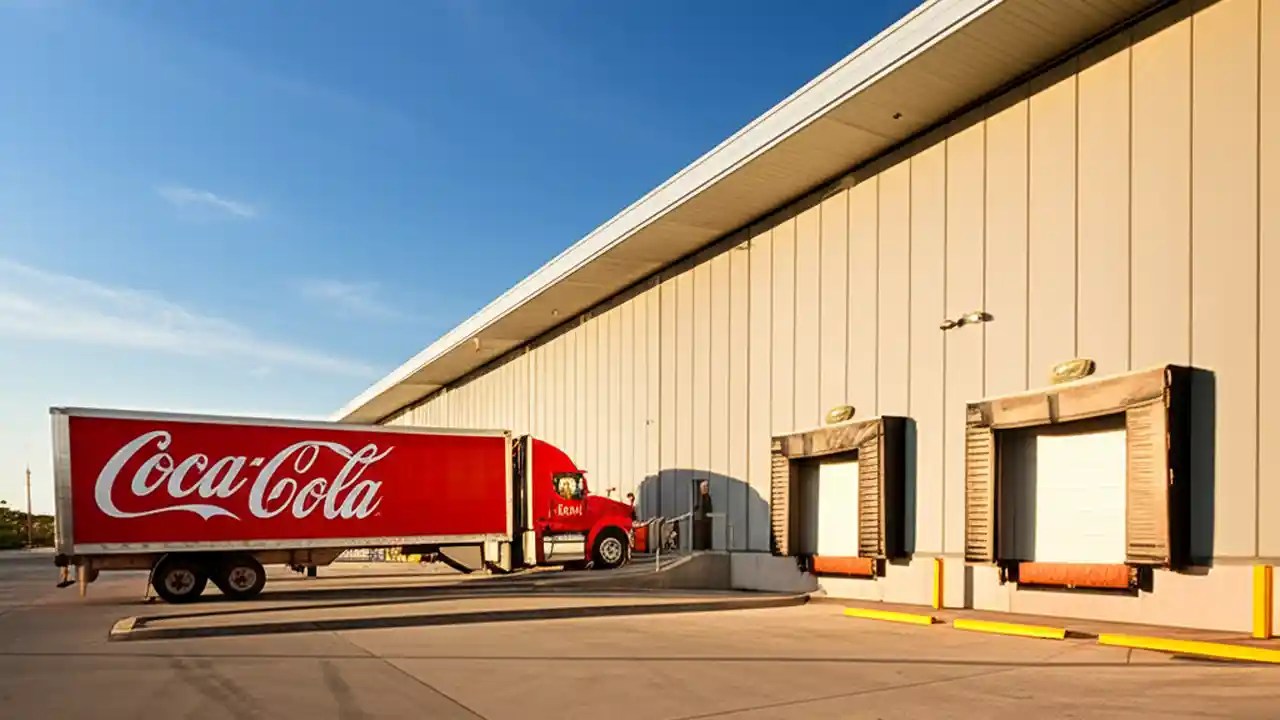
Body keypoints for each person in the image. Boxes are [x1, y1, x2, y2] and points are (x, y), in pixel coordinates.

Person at [692, 479, 713, 551]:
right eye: (704, 486)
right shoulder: (698, 498)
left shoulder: (708, 497)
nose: (706, 488)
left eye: (707, 486)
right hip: (699, 521)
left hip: (706, 521)